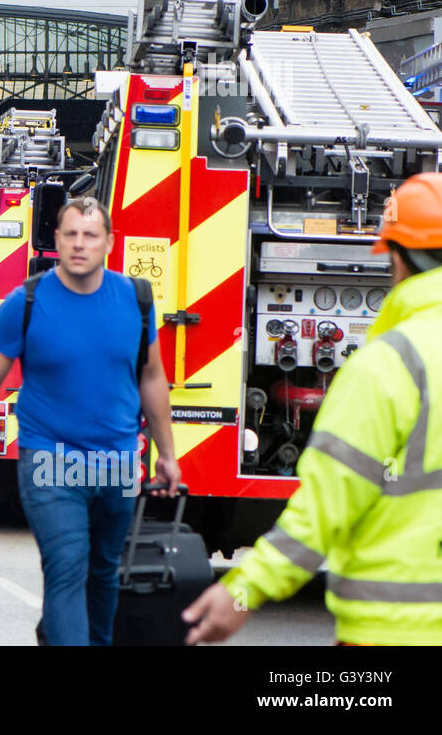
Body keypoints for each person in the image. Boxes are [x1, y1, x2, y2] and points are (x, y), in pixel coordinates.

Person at [184, 173, 442, 646]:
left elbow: (323, 510)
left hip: (394, 631)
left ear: (399, 258)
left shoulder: (388, 366)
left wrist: (241, 595)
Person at [0, 197, 179, 646]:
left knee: (104, 571)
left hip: (118, 462)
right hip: (51, 461)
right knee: (67, 564)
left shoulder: (136, 300)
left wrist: (167, 455)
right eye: (70, 234)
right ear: (56, 240)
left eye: (90, 235)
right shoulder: (26, 302)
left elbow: (152, 377)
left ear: (109, 242)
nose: (79, 244)